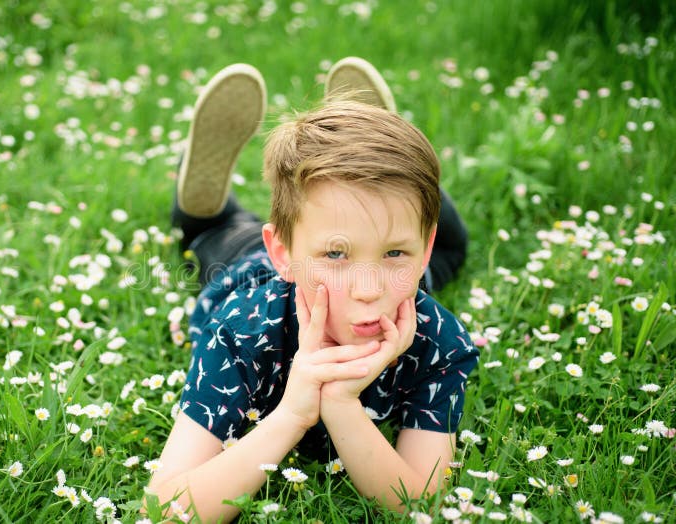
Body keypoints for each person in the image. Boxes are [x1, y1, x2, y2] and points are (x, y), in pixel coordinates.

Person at [147, 57, 477, 522]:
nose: (367, 290)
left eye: (396, 253)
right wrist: (292, 413)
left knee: (448, 250)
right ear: (284, 252)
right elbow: (164, 509)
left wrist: (341, 404)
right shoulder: (242, 332)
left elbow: (420, 503)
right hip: (248, 270)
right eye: (337, 256)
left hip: (362, 258)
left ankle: (388, 164)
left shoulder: (438, 341)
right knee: (212, 235)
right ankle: (201, 208)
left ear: (419, 250)